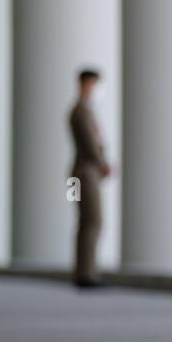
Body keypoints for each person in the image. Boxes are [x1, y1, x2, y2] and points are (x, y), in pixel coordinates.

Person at [69, 68, 111, 288]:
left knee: (86, 221)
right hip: (85, 173)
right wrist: (104, 164)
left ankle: (85, 270)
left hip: (79, 173)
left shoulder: (84, 110)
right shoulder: (82, 111)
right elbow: (90, 143)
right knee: (92, 220)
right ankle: (86, 273)